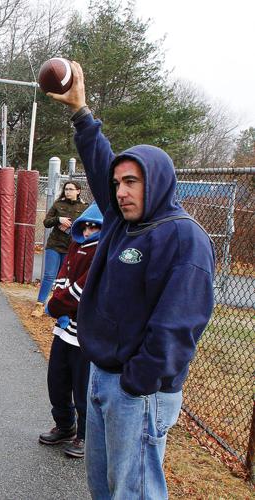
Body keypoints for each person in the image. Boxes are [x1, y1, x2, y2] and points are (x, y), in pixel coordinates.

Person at [48, 61, 215, 499]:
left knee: (135, 492)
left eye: (132, 182)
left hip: (138, 390)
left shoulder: (182, 237)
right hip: (103, 377)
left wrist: (138, 381)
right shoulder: (122, 222)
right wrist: (82, 114)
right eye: (118, 183)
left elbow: (180, 325)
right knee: (104, 488)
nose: (121, 191)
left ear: (156, 183)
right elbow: (100, 159)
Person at [39, 202, 102, 460]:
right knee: (57, 380)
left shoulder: (103, 252)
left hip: (86, 333)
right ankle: (65, 425)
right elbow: (64, 278)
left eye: (95, 225)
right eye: (85, 224)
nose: (88, 230)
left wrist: (57, 304)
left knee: (83, 386)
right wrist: (59, 303)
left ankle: (86, 435)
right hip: (64, 328)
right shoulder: (76, 245)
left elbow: (84, 290)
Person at [32, 181, 88, 317]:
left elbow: (87, 226)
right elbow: (46, 222)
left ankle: (56, 308)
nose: (68, 191)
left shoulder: (85, 207)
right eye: (66, 189)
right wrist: (59, 220)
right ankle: (39, 305)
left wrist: (73, 226)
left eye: (71, 189)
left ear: (78, 191)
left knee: (64, 278)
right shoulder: (58, 204)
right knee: (49, 275)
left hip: (72, 247)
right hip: (55, 245)